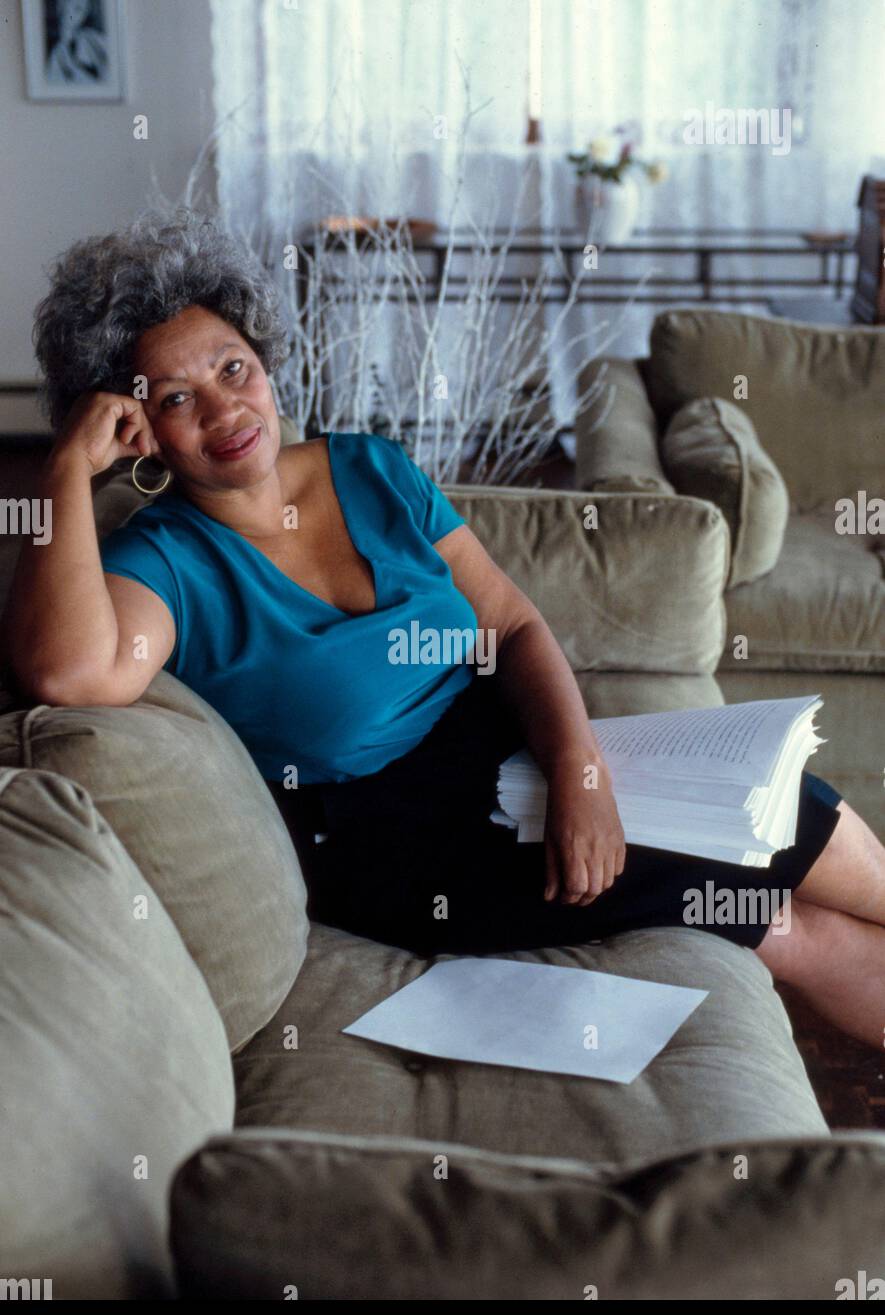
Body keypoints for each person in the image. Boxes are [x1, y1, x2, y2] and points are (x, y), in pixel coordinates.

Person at [6, 206, 885, 1050]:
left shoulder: (370, 467)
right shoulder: (163, 562)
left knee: (773, 804)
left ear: (265, 363)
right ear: (136, 431)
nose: (224, 410)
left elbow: (508, 623)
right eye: (174, 397)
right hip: (400, 845)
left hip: (503, 756)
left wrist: (577, 772)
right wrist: (67, 470)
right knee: (763, 894)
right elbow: (70, 676)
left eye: (232, 369)